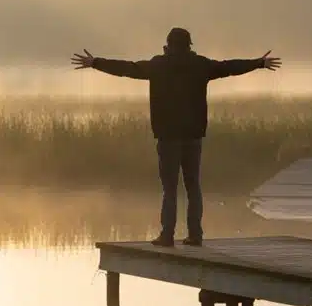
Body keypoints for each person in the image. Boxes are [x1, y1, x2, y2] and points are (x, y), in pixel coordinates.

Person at [70, 27, 281, 247]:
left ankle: (167, 235)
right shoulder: (200, 65)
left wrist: (95, 62)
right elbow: (228, 67)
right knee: (193, 187)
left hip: (167, 136)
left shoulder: (158, 65)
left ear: (168, 45)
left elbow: (127, 69)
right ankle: (195, 235)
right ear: (189, 45)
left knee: (169, 189)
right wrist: (258, 63)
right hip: (193, 136)